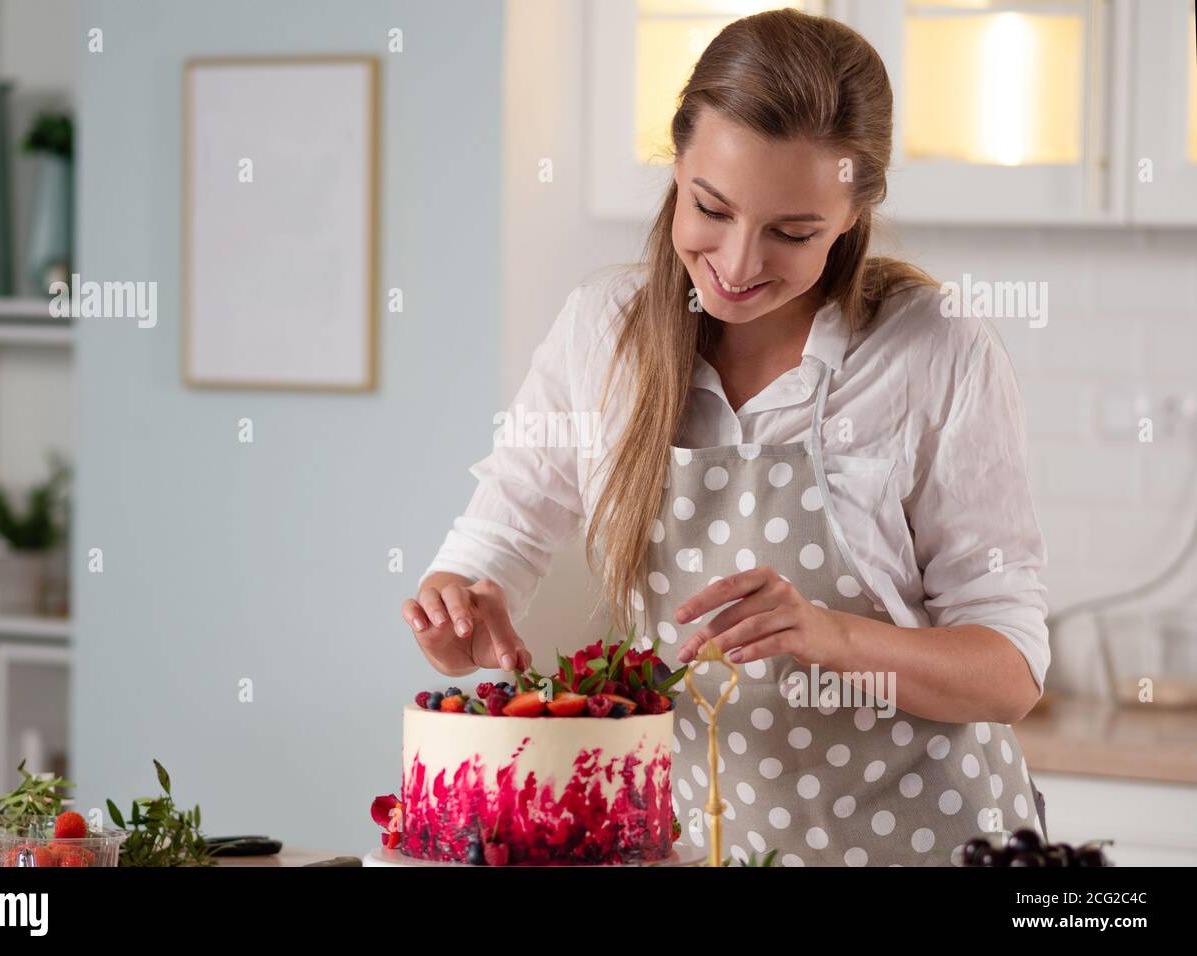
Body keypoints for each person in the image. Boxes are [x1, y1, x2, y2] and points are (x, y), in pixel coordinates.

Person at [402, 8, 1049, 866]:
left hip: (935, 843)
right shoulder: (603, 332)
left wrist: (828, 635)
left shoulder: (936, 350)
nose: (740, 264)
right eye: (711, 208)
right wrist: (457, 606)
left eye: (793, 232)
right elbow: (497, 538)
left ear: (854, 214)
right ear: (677, 163)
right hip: (705, 845)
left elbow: (1010, 673)